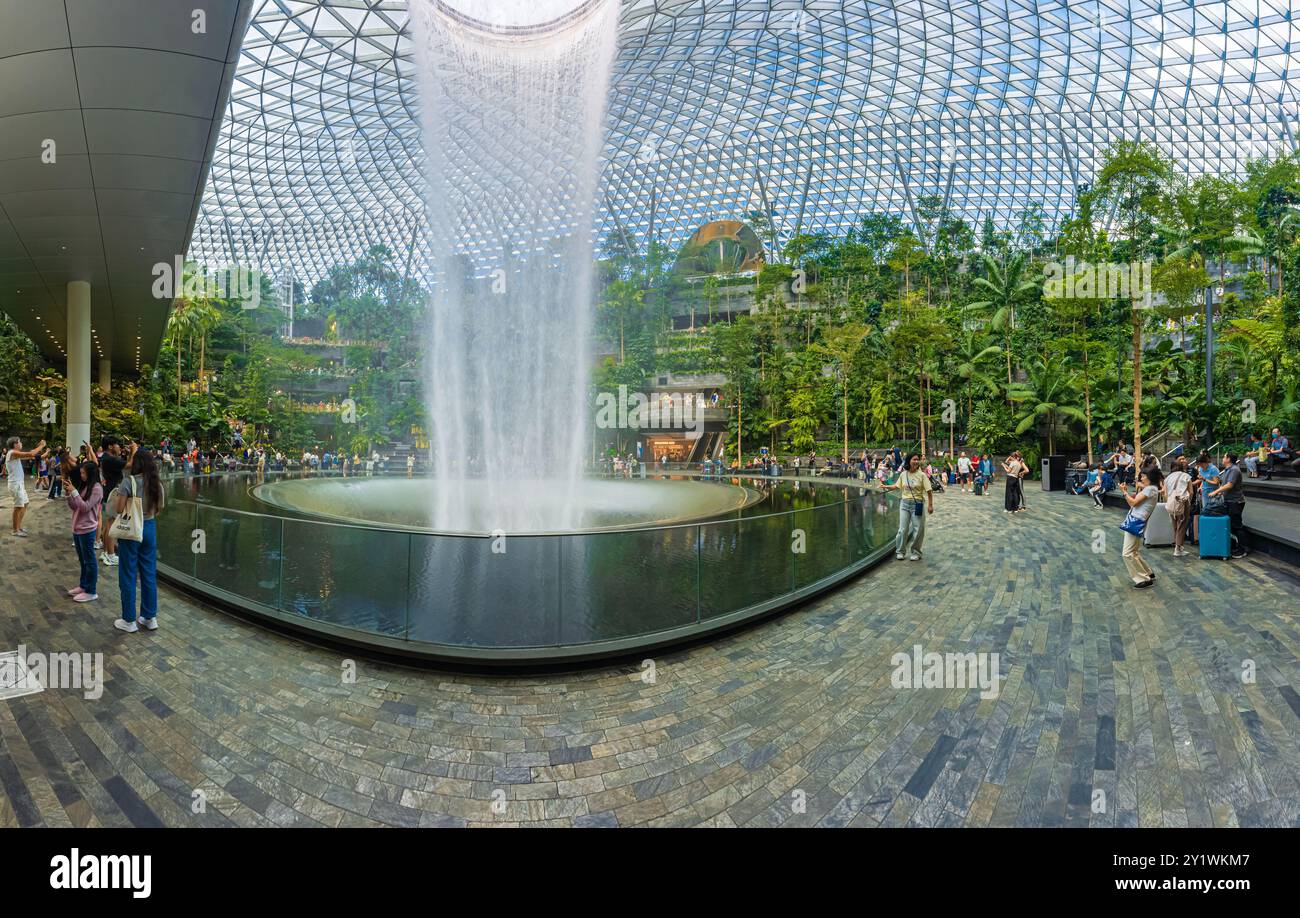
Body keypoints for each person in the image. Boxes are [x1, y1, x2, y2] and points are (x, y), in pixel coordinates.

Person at [110, 443, 165, 633]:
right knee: (149, 573)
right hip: (150, 527)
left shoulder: (129, 481)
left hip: (132, 529)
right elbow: (159, 508)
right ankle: (150, 617)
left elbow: (118, 508)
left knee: (128, 573)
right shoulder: (157, 483)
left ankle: (129, 620)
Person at [64, 456, 102, 603]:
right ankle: (83, 585)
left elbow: (85, 508)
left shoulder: (97, 488)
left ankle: (91, 590)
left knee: (89, 560)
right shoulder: (85, 486)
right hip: (78, 528)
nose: (81, 476)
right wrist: (69, 493)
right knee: (83, 560)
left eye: (83, 473)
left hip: (87, 529)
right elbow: (75, 507)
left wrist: (74, 492)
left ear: (91, 474)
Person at [882, 453, 934, 561]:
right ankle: (900, 551)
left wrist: (930, 505)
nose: (916, 462)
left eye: (917, 460)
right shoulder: (903, 474)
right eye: (914, 459)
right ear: (909, 461)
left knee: (918, 529)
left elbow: (929, 491)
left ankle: (916, 552)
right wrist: (885, 486)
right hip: (904, 504)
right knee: (902, 529)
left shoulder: (922, 475)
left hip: (917, 505)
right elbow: (896, 486)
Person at [1118, 466, 1162, 588]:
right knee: (1134, 552)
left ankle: (1143, 579)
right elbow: (1134, 503)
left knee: (1127, 553)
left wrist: (1124, 492)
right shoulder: (1151, 489)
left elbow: (1132, 503)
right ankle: (1148, 573)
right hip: (1137, 521)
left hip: (1135, 522)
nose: (1141, 478)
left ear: (1149, 477)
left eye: (1143, 476)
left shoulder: (1150, 490)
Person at [1206, 453, 1247, 557]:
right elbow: (1225, 485)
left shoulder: (1234, 470)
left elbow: (1230, 485)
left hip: (1235, 501)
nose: (1223, 458)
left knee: (1237, 525)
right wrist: (1220, 492)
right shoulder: (1227, 470)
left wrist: (1216, 492)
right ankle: (1236, 546)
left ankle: (1243, 549)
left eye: (1224, 457)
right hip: (1229, 501)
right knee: (1232, 525)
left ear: (1228, 459)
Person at [5, 436, 45, 536]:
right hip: (15, 484)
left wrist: (39, 447)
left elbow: (31, 454)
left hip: (19, 484)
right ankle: (15, 530)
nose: (21, 443)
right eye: (20, 442)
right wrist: (42, 446)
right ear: (15, 444)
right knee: (18, 507)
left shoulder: (16, 454)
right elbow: (31, 453)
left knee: (25, 503)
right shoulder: (12, 453)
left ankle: (18, 527)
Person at [98, 437, 126, 566]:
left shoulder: (105, 457)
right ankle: (111, 554)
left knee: (108, 523)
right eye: (117, 445)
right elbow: (129, 465)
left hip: (108, 491)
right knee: (111, 523)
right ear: (110, 446)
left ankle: (105, 552)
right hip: (113, 492)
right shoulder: (110, 459)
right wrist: (134, 450)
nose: (119, 447)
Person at [1164, 456, 1193, 557]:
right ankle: (1177, 548)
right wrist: (1189, 502)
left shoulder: (1167, 478)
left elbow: (1165, 494)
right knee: (1182, 525)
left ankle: (1179, 547)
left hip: (1170, 503)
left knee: (1175, 525)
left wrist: (1170, 501)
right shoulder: (1186, 476)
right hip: (1182, 502)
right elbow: (1191, 491)